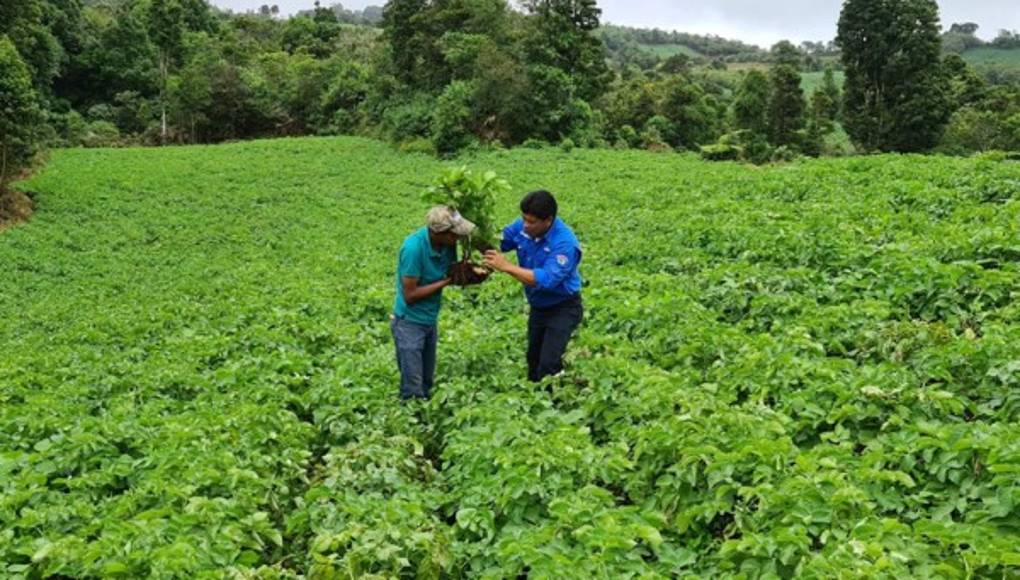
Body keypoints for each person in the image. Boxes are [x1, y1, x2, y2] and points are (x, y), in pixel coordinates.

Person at [484, 190, 583, 382]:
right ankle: (535, 396)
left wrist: (507, 266)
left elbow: (547, 280)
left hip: (563, 307)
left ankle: (555, 397)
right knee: (533, 360)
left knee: (549, 364)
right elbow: (498, 242)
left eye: (531, 222)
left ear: (548, 220)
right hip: (538, 307)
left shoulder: (564, 243)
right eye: (524, 219)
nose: (525, 225)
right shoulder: (522, 227)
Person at [392, 205, 475, 400]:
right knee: (413, 386)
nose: (457, 238)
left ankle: (424, 411)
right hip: (409, 322)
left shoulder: (446, 244)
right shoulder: (413, 249)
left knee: (426, 381)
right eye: (454, 234)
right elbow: (410, 295)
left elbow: (451, 271)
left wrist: (471, 273)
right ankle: (410, 415)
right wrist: (447, 281)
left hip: (430, 318)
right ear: (438, 233)